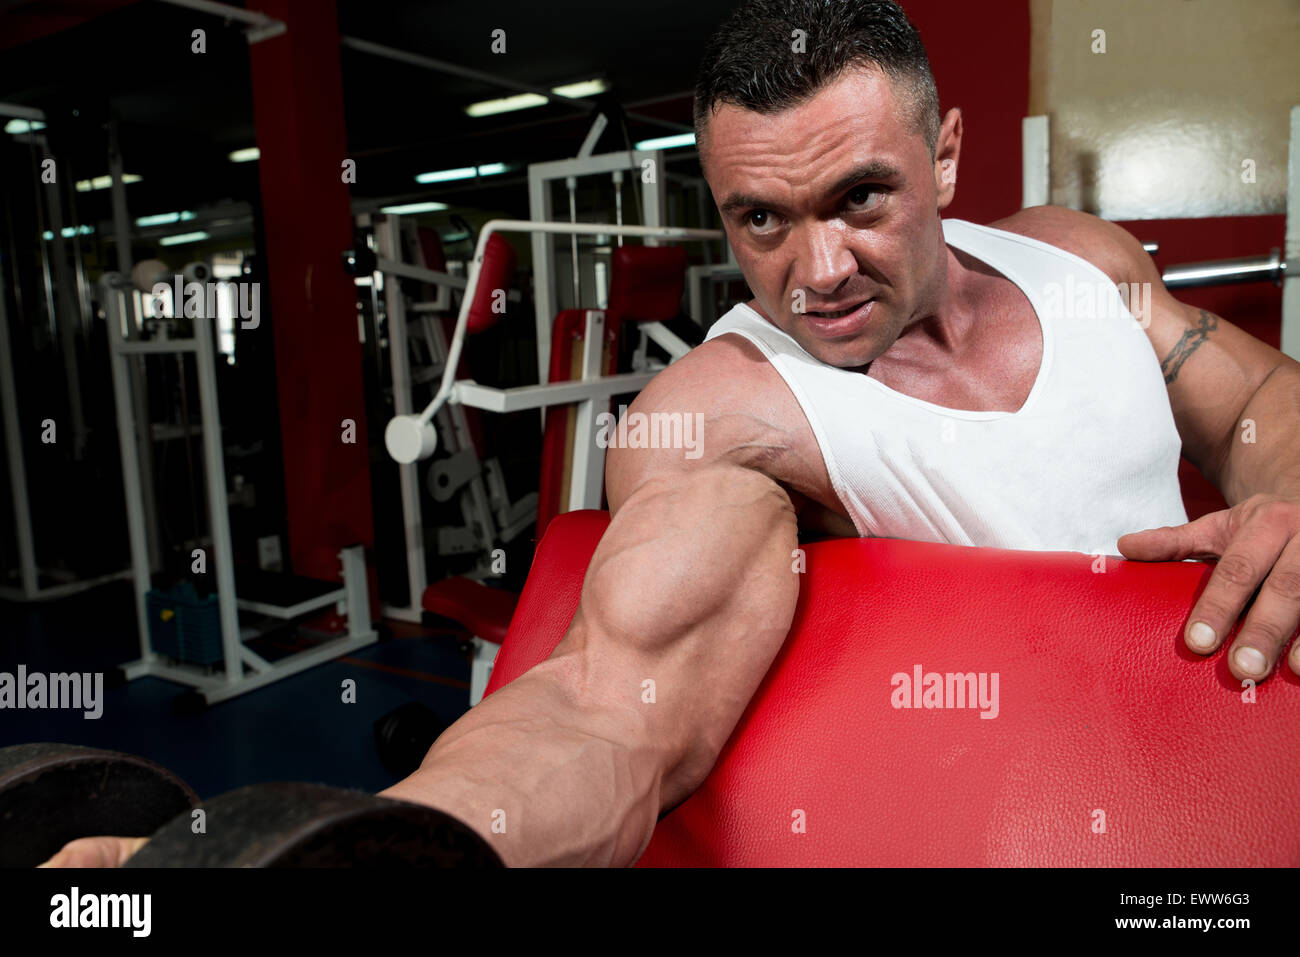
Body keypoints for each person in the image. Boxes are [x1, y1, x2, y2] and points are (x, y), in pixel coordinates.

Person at [45, 0, 1300, 869]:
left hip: (1231, 764)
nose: (817, 269)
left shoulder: (1078, 258)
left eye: (861, 197)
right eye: (760, 219)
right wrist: (354, 849)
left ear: (947, 152)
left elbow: (1248, 404)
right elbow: (608, 707)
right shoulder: (725, 412)